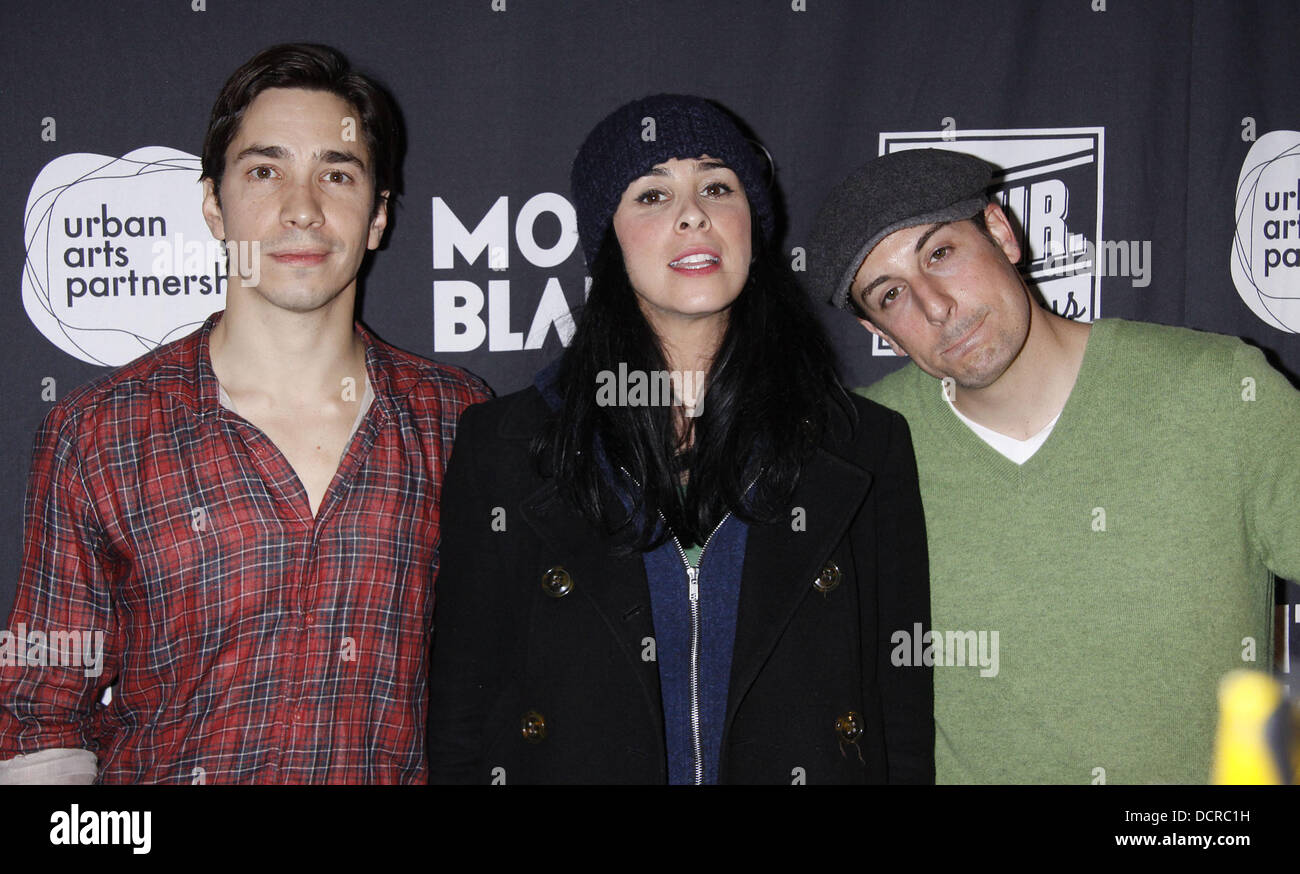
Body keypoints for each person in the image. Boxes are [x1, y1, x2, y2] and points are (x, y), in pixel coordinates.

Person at [0, 43, 490, 784]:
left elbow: (501, 686)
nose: (302, 208)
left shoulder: (460, 422)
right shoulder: (97, 435)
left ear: (379, 217)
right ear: (213, 206)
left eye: (337, 172)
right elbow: (41, 720)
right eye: (265, 171)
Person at [427, 94, 932, 784]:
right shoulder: (506, 444)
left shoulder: (863, 444)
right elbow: (463, 718)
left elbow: (898, 719)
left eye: (718, 188)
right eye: (652, 194)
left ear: (753, 225)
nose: (693, 214)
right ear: (608, 240)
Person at [809, 147, 1300, 783]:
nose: (935, 307)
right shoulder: (861, 452)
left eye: (940, 253)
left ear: (1001, 233)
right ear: (880, 331)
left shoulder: (1220, 392)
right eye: (891, 293)